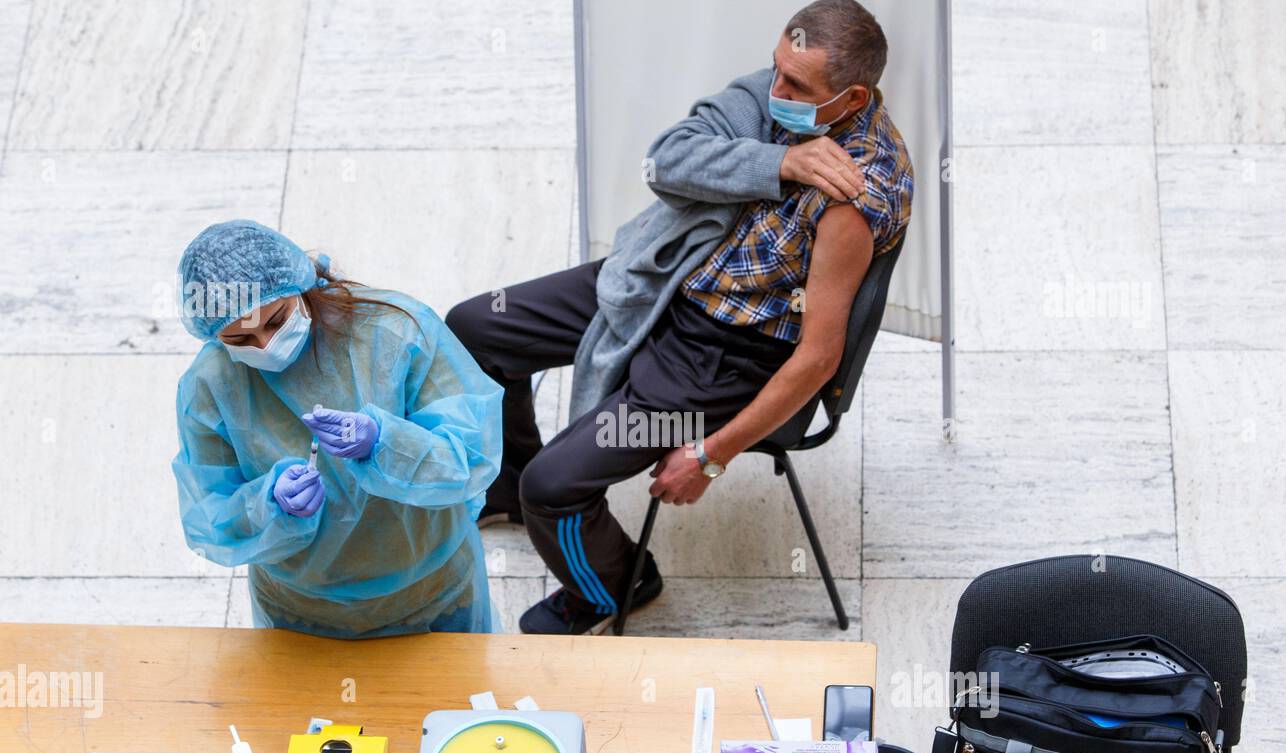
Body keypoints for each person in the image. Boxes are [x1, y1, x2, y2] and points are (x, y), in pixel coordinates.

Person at [447, 0, 912, 635]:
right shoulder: (779, 94)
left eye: (795, 84)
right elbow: (666, 160)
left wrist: (711, 455)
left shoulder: (852, 203)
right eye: (776, 69)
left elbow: (817, 360)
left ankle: (615, 587)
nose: (775, 89)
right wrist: (777, 162)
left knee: (553, 491)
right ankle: (506, 481)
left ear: (853, 98)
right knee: (476, 330)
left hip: (720, 359)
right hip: (665, 274)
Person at [172, 219, 503, 638]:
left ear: (300, 286)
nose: (265, 346)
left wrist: (386, 444)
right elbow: (209, 517)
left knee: (453, 699)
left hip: (431, 587)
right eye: (240, 340)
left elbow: (471, 458)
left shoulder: (394, 329)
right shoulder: (210, 386)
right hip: (303, 609)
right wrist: (269, 504)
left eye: (275, 321)